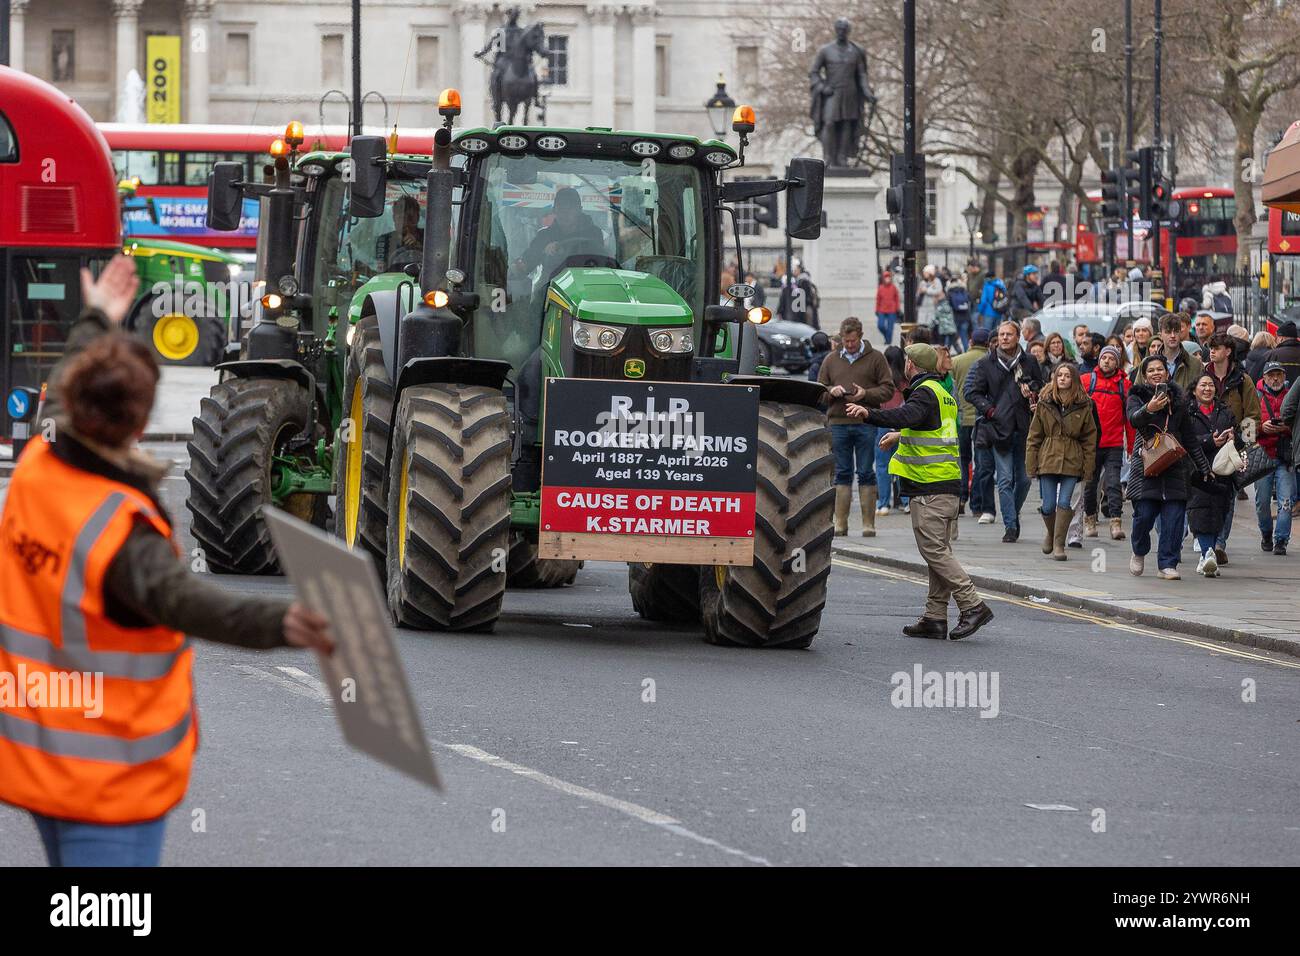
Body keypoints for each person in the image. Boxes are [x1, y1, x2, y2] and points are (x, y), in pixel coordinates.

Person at [0, 256, 334, 868]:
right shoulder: (118, 528)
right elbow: (187, 602)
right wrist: (281, 624)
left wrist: (98, 314)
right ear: (138, 421)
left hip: (37, 758)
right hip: (110, 778)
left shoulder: (36, 472)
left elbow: (75, 372)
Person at [844, 344, 995, 640]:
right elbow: (931, 426)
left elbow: (906, 415)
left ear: (911, 365)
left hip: (931, 488)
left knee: (935, 552)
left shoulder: (924, 392)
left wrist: (868, 414)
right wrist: (901, 436)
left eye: (905, 361)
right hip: (946, 485)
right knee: (938, 553)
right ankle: (934, 617)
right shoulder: (942, 393)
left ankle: (972, 604)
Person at [1125, 353, 1214, 579]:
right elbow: (1134, 420)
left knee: (1174, 521)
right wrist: (1150, 408)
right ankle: (1139, 550)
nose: (1156, 373)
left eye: (1160, 369)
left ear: (1168, 373)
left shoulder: (1180, 400)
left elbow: (1190, 438)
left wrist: (1203, 466)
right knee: (1143, 516)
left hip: (1175, 467)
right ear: (1145, 376)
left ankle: (1167, 563)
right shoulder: (1137, 395)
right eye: (1151, 370)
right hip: (1147, 466)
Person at [964, 319, 1044, 542]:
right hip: (999, 428)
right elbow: (971, 392)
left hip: (1024, 426)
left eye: (1009, 334)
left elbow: (1040, 384)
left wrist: (1033, 392)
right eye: (1001, 335)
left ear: (1018, 337)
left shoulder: (1029, 361)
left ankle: (1012, 512)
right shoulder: (986, 363)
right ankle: (1010, 525)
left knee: (1026, 479)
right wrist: (990, 411)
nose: (1004, 338)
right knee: (1006, 479)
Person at [818, 316, 895, 537]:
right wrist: (830, 391)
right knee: (841, 473)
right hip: (838, 423)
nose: (849, 345)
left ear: (860, 336)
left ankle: (868, 524)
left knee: (865, 472)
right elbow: (819, 389)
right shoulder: (831, 359)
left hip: (865, 422)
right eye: (845, 341)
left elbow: (888, 389)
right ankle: (840, 524)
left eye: (852, 341)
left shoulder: (876, 359)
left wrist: (866, 394)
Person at [1026, 363, 1098, 560]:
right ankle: (1051, 533)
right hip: (1048, 458)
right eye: (1060, 375)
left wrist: (1088, 467)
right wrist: (1031, 464)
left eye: (1067, 376)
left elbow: (1090, 439)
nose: (1063, 378)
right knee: (1048, 505)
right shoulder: (1044, 402)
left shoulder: (1084, 404)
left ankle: (1059, 544)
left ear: (1074, 380)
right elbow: (1034, 436)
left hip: (1072, 459)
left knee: (1065, 502)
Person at [1185, 373, 1242, 577]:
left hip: (1222, 470)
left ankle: (1206, 556)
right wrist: (1210, 440)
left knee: (1220, 511)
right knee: (1199, 510)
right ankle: (1207, 552)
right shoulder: (1187, 412)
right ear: (1194, 390)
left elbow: (1240, 438)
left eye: (1210, 385)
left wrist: (1234, 438)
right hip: (1196, 471)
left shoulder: (1225, 412)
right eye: (1203, 385)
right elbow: (1183, 440)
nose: (1207, 389)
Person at [1082, 345, 1134, 540]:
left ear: (1117, 362)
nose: (1107, 361)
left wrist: (1130, 444)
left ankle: (1115, 522)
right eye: (1104, 357)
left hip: (1113, 443)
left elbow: (1129, 419)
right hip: (1090, 444)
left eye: (1112, 358)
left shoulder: (1124, 385)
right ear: (1099, 359)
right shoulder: (1087, 381)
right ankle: (1089, 519)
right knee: (1090, 484)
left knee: (1113, 484)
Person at [513, 186, 604, 278]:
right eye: (561, 207)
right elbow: (526, 264)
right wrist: (543, 251)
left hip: (585, 284)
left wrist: (561, 248)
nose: (565, 212)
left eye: (570, 208)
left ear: (579, 210)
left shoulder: (593, 234)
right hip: (549, 287)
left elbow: (600, 263)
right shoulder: (544, 236)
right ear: (554, 210)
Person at [1255, 362, 1294, 555]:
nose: (1275, 379)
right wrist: (1262, 428)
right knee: (1262, 501)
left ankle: (1281, 540)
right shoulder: (1256, 396)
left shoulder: (1292, 395)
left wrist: (1286, 428)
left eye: (1279, 374)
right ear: (1264, 378)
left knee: (1286, 501)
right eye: (1271, 375)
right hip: (1262, 457)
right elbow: (1246, 427)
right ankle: (1266, 533)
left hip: (1285, 457)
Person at [952, 327, 992, 518]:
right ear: (988, 343)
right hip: (981, 417)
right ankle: (977, 503)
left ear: (970, 342)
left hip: (961, 418)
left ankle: (961, 497)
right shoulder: (990, 361)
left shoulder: (957, 361)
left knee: (962, 459)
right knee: (979, 463)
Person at [875, 345, 908, 514]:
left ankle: (883, 503)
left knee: (882, 465)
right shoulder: (905, 379)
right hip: (901, 423)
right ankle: (906, 500)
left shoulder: (883, 378)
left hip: (884, 422)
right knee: (902, 463)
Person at [1134, 313, 1204, 391]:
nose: (1172, 335)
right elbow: (1135, 397)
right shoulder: (1146, 363)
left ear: (1180, 333)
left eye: (1176, 331)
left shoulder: (1195, 364)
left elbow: (1201, 397)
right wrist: (1150, 404)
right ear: (1160, 335)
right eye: (1168, 332)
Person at [380, 195, 425, 269]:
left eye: (410, 218)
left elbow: (435, 261)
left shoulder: (428, 238)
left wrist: (418, 247)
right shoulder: (384, 240)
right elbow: (381, 268)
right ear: (394, 218)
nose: (405, 222)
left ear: (417, 218)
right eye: (400, 218)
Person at [1264, 320, 1300, 388]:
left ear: (1281, 338)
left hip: (1279, 397)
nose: (1275, 340)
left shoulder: (1272, 355)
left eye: (1276, 337)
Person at [875, 268, 901, 345]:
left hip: (892, 310)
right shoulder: (880, 288)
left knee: (890, 328)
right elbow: (878, 299)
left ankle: (888, 342)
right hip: (882, 309)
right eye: (886, 277)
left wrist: (897, 308)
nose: (887, 278)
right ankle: (887, 337)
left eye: (888, 276)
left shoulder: (893, 288)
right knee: (880, 326)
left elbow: (897, 299)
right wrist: (876, 309)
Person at [947, 277, 973, 351]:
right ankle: (967, 352)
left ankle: (945, 353)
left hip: (954, 318)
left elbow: (948, 305)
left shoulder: (950, 292)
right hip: (965, 317)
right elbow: (970, 301)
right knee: (964, 336)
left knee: (951, 337)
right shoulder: (964, 290)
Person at [917, 264, 943, 330]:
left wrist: (926, 290)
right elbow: (918, 293)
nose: (924, 274)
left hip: (932, 307)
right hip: (922, 307)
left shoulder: (937, 281)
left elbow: (938, 291)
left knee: (931, 326)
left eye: (925, 272)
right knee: (922, 326)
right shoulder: (923, 282)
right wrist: (920, 292)